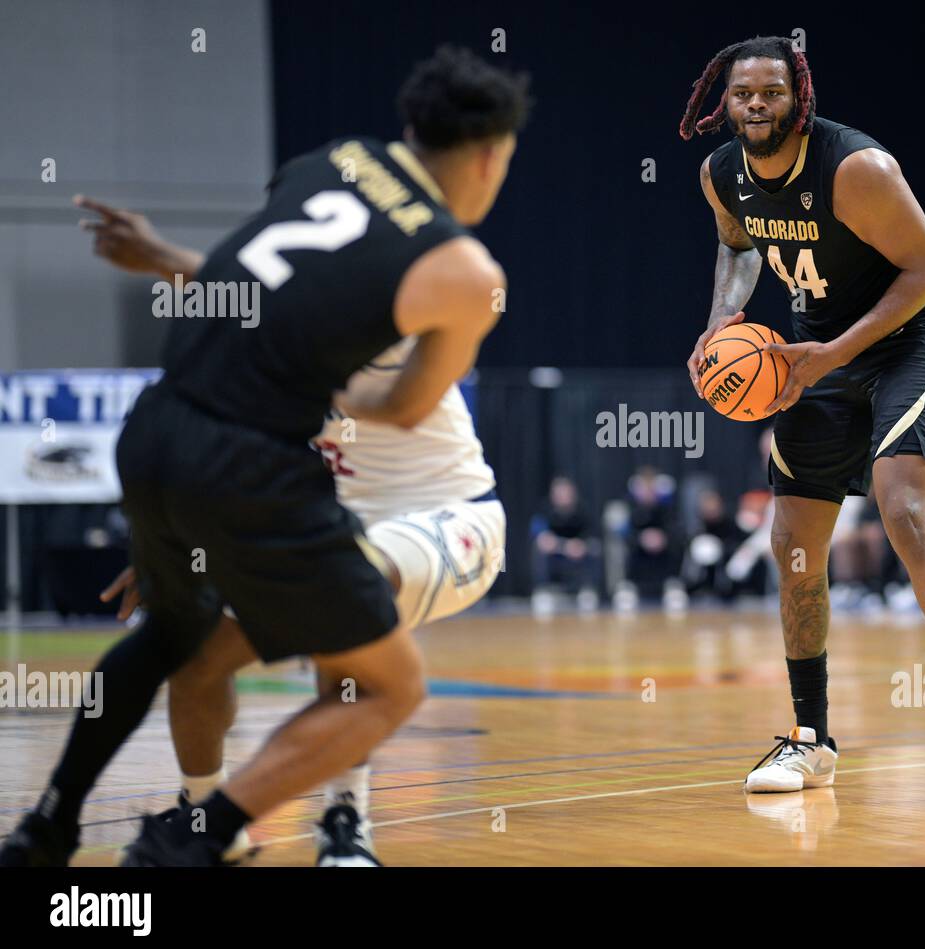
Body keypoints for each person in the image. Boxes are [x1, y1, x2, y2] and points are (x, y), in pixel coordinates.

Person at [1, 46, 529, 867]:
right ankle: (204, 827)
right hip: (267, 476)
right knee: (212, 658)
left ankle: (333, 827)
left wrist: (187, 527)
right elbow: (398, 399)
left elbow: (248, 289)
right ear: (493, 158)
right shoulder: (456, 270)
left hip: (420, 508)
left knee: (227, 622)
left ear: (407, 129)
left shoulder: (327, 165)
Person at [681, 35, 925, 798]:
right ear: (724, 104)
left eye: (771, 92)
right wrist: (719, 324)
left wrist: (836, 350)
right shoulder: (721, 174)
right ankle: (811, 739)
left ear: (798, 97)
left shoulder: (856, 169)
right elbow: (736, 247)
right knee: (792, 540)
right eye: (743, 95)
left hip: (908, 341)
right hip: (817, 349)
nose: (757, 105)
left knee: (903, 509)